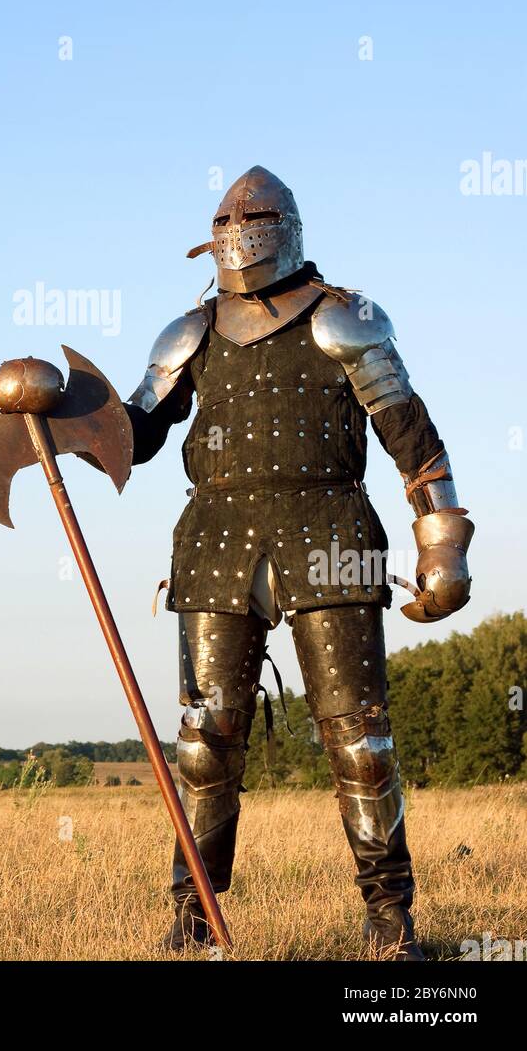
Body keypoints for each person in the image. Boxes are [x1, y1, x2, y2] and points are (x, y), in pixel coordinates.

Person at [123, 165, 473, 959]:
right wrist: (62, 415)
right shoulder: (189, 333)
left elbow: (411, 439)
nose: (238, 232)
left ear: (285, 228)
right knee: (205, 740)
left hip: (329, 528)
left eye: (252, 218)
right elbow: (136, 435)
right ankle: (196, 921)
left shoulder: (344, 318)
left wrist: (439, 540)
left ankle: (388, 922)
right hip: (215, 538)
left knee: (358, 738)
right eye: (225, 221)